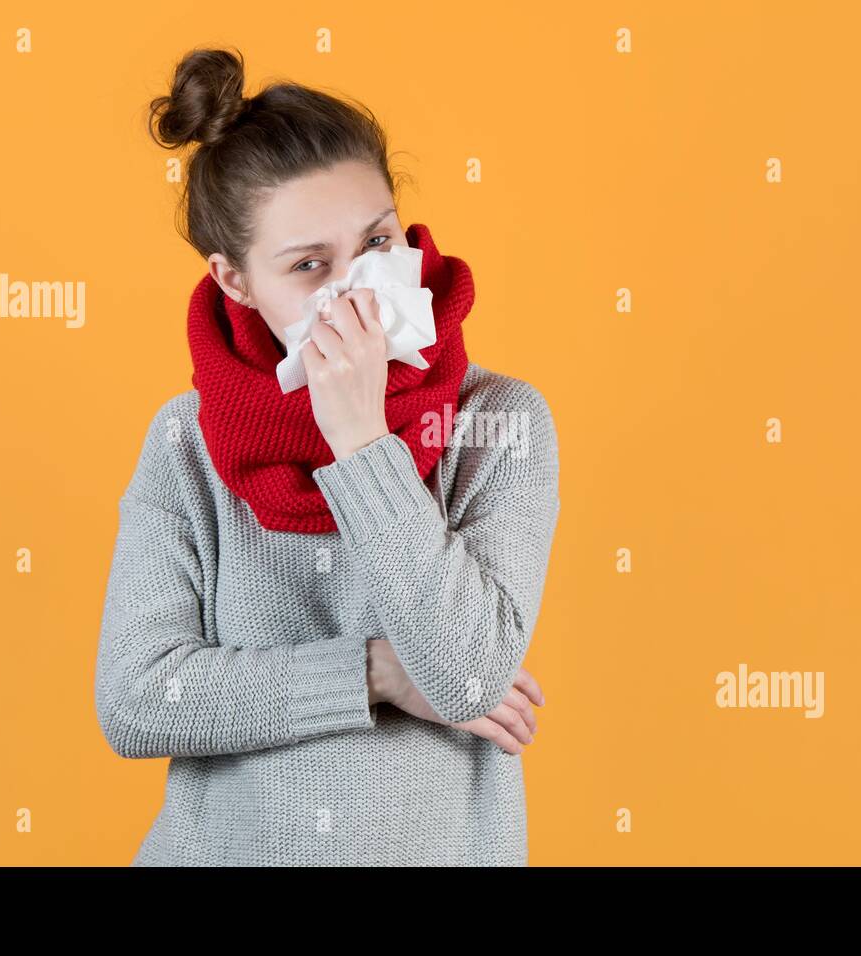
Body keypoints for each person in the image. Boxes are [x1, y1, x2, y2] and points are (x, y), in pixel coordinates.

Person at [94, 46, 561, 865]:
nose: (357, 291)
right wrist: (376, 673)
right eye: (310, 266)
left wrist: (361, 443)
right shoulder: (186, 442)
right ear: (235, 282)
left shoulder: (499, 423)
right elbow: (137, 699)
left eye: (377, 242)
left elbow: (465, 680)